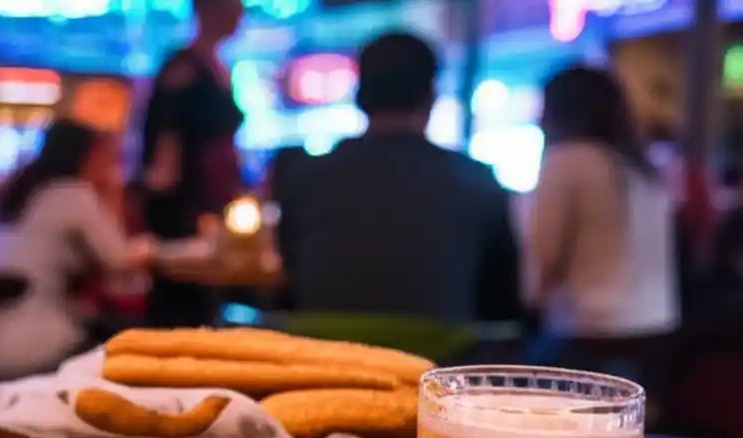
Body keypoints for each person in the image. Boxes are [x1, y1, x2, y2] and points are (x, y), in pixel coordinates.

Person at [273, 32, 522, 326]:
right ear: (431, 96)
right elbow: (502, 304)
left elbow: (290, 282)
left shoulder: (303, 177)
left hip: (328, 362)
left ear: (360, 96)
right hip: (438, 362)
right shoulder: (477, 182)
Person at [524, 65, 679, 400]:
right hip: (657, 330)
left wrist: (528, 306)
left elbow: (545, 256)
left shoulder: (568, 159)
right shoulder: (646, 167)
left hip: (588, 336)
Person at [0, 120, 153, 380]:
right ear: (85, 155)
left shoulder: (19, 189)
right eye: (105, 157)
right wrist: (113, 194)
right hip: (36, 341)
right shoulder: (72, 193)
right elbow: (119, 259)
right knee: (130, 345)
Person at [139, 0, 245, 327]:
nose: (239, 17)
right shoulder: (183, 66)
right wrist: (163, 184)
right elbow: (167, 131)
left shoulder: (215, 65)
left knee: (208, 292)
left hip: (213, 194)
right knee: (181, 294)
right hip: (185, 198)